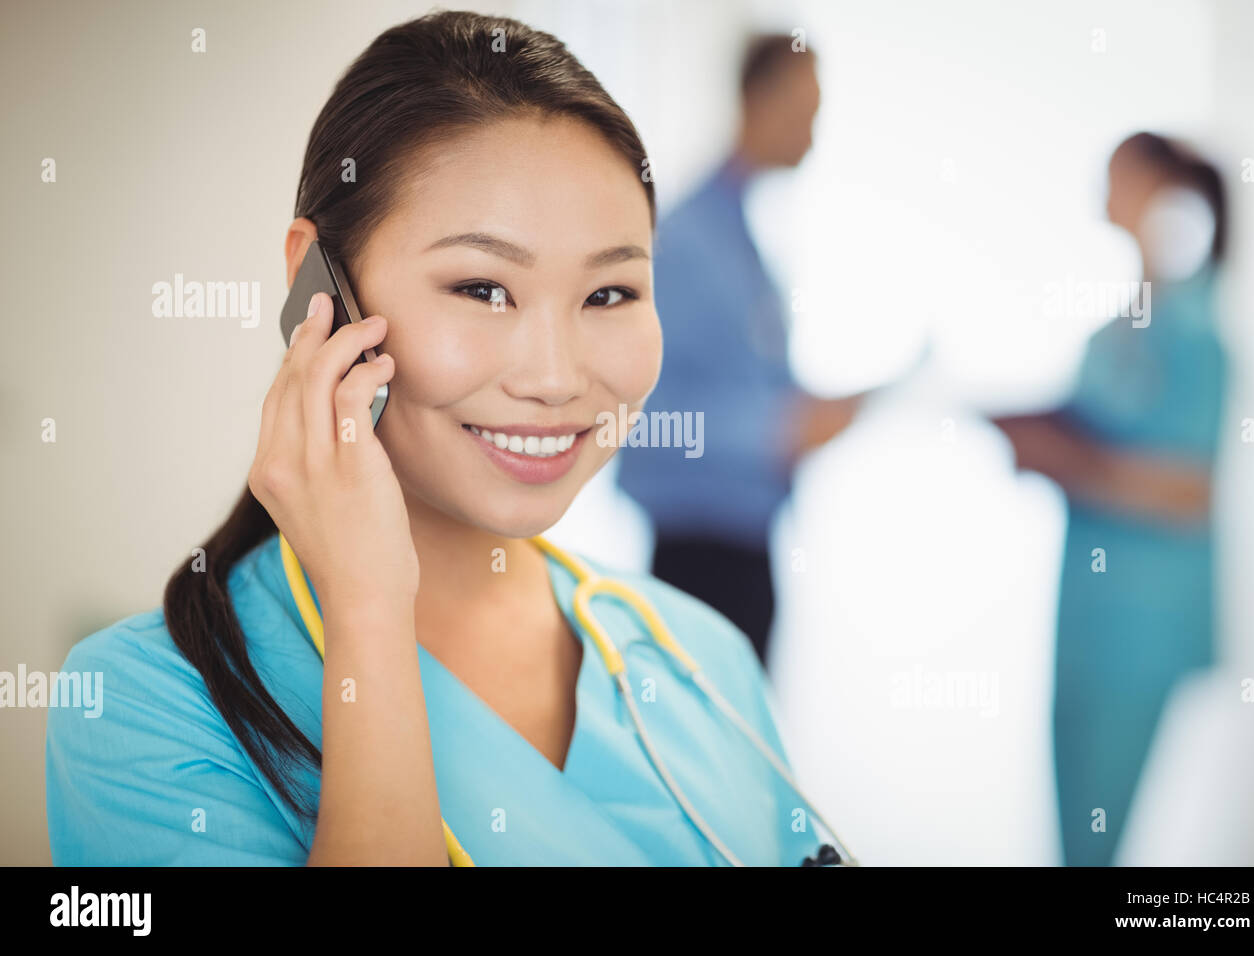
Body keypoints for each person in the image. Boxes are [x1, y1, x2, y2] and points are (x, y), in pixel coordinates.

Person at [44, 11, 835, 867]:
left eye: (609, 294)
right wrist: (371, 613)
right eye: (483, 288)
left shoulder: (701, 658)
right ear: (318, 287)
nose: (556, 377)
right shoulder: (141, 707)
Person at [993, 133, 1230, 866]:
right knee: (1072, 835)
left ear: (1160, 188)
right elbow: (1089, 430)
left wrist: (1070, 460)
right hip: (1087, 617)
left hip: (1141, 625)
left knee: (1099, 839)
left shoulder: (1192, 332)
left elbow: (1189, 490)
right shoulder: (1117, 326)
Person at [616, 34, 867, 669]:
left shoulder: (744, 239)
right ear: (760, 99)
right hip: (699, 562)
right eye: (806, 112)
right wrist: (778, 431)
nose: (813, 134)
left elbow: (738, 379)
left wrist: (812, 408)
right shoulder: (685, 240)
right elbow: (641, 417)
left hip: (747, 553)